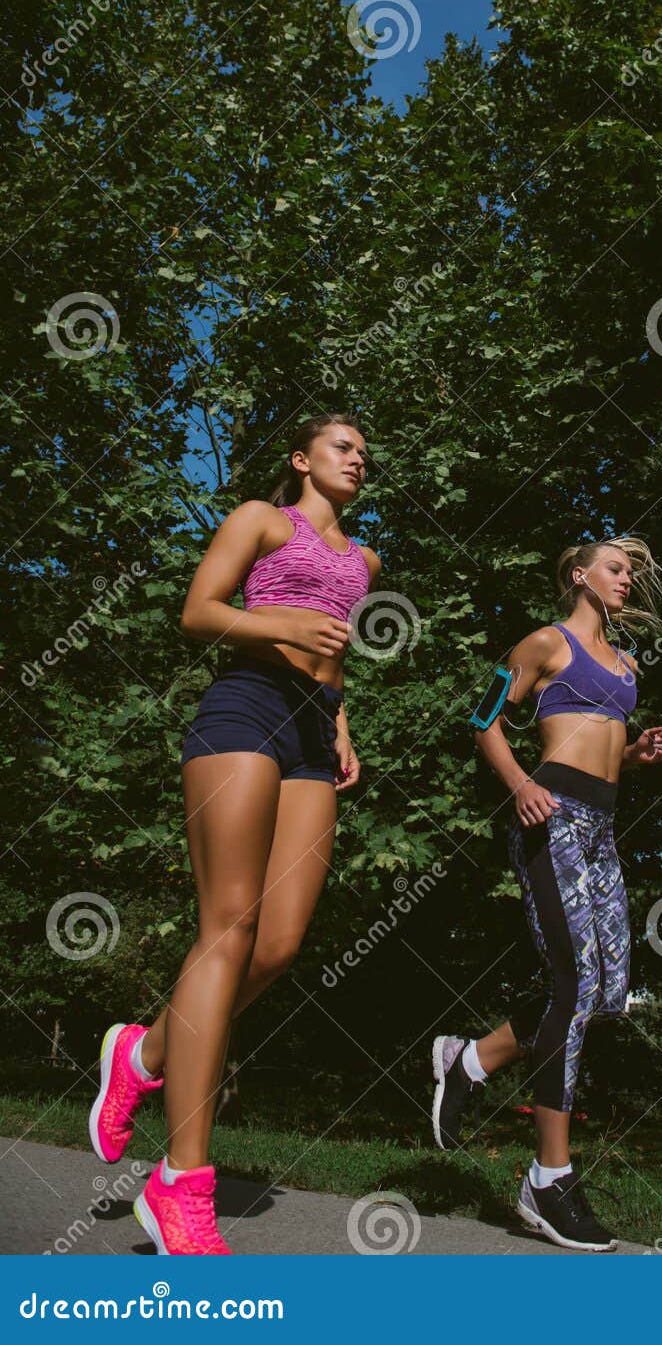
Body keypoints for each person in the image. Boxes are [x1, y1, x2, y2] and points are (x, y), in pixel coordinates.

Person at [87, 413, 379, 1255]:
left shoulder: (366, 561)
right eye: (342, 447)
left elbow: (336, 656)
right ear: (302, 460)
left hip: (314, 733)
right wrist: (281, 625)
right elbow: (198, 612)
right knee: (230, 924)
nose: (357, 459)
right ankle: (182, 1183)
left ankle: (144, 1053)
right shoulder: (261, 518)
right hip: (244, 707)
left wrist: (344, 720)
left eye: (364, 452)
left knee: (280, 945)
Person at [431, 537, 662, 1252]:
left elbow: (598, 749)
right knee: (571, 983)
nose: (627, 581)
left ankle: (469, 1061)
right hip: (552, 820)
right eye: (616, 569)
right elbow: (483, 717)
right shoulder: (546, 643)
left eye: (632, 572)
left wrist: (635, 756)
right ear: (579, 575)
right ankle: (549, 1176)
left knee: (605, 992)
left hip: (602, 827)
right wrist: (520, 783)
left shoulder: (627, 667)